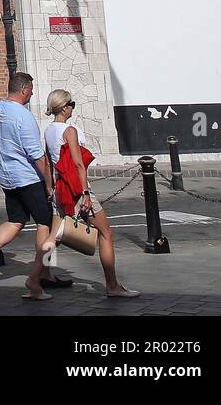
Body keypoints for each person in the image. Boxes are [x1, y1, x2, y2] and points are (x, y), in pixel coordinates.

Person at [44, 89, 139, 298]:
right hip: (76, 189)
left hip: (60, 190)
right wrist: (86, 193)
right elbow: (78, 164)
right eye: (72, 104)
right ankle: (112, 285)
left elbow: (49, 162)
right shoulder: (69, 131)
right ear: (65, 107)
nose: (72, 108)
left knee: (53, 237)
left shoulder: (48, 131)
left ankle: (39, 275)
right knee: (106, 233)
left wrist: (49, 187)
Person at [0, 72, 55, 299]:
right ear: (24, 90)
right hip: (28, 178)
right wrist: (49, 183)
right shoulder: (23, 116)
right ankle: (39, 277)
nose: (33, 93)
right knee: (45, 224)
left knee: (16, 220)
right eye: (31, 89)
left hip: (8, 176)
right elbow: (37, 155)